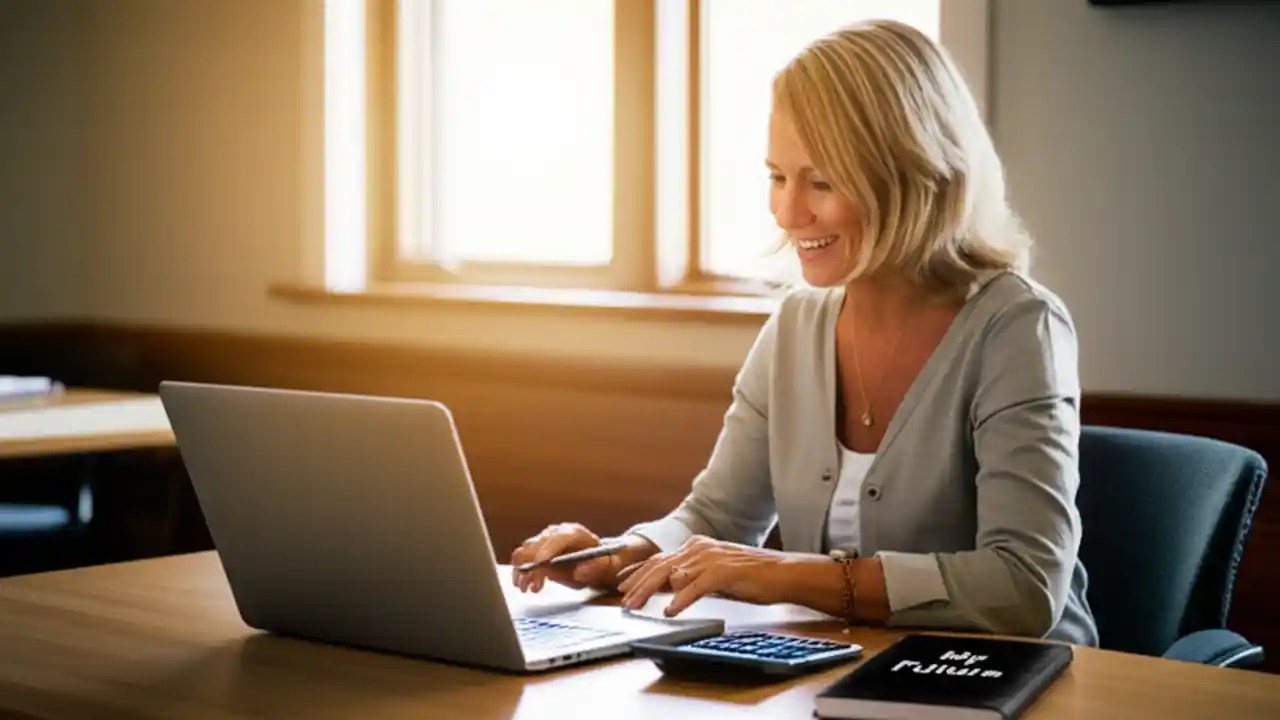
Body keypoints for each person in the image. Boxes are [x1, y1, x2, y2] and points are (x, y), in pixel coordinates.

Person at [511, 19, 1097, 645]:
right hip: (846, 673)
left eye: (822, 181)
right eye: (777, 177)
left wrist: (788, 575)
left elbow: (1023, 588)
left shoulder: (1018, 329)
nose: (789, 213)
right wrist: (622, 554)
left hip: (1014, 683)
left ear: (913, 172)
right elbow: (718, 518)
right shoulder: (796, 325)